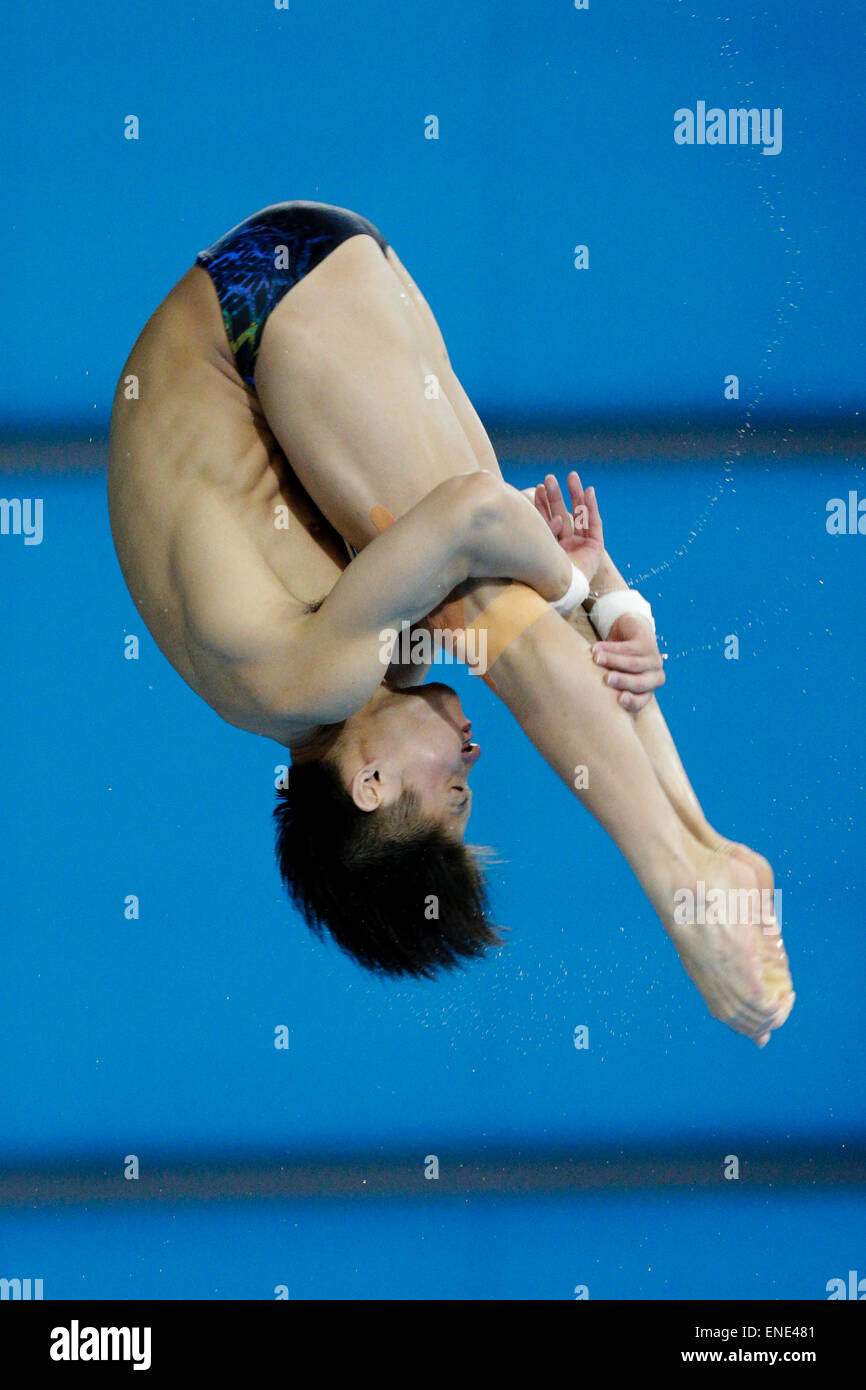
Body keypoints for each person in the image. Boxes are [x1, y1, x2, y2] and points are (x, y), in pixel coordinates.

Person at [108, 200, 794, 1044]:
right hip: (293, 288)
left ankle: (683, 885)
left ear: (369, 784)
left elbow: (476, 517)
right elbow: (541, 606)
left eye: (456, 793)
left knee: (480, 608)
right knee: (498, 611)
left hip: (263, 306)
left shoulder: (296, 682)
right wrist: (603, 599)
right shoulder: (343, 679)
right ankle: (701, 838)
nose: (473, 756)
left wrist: (571, 594)